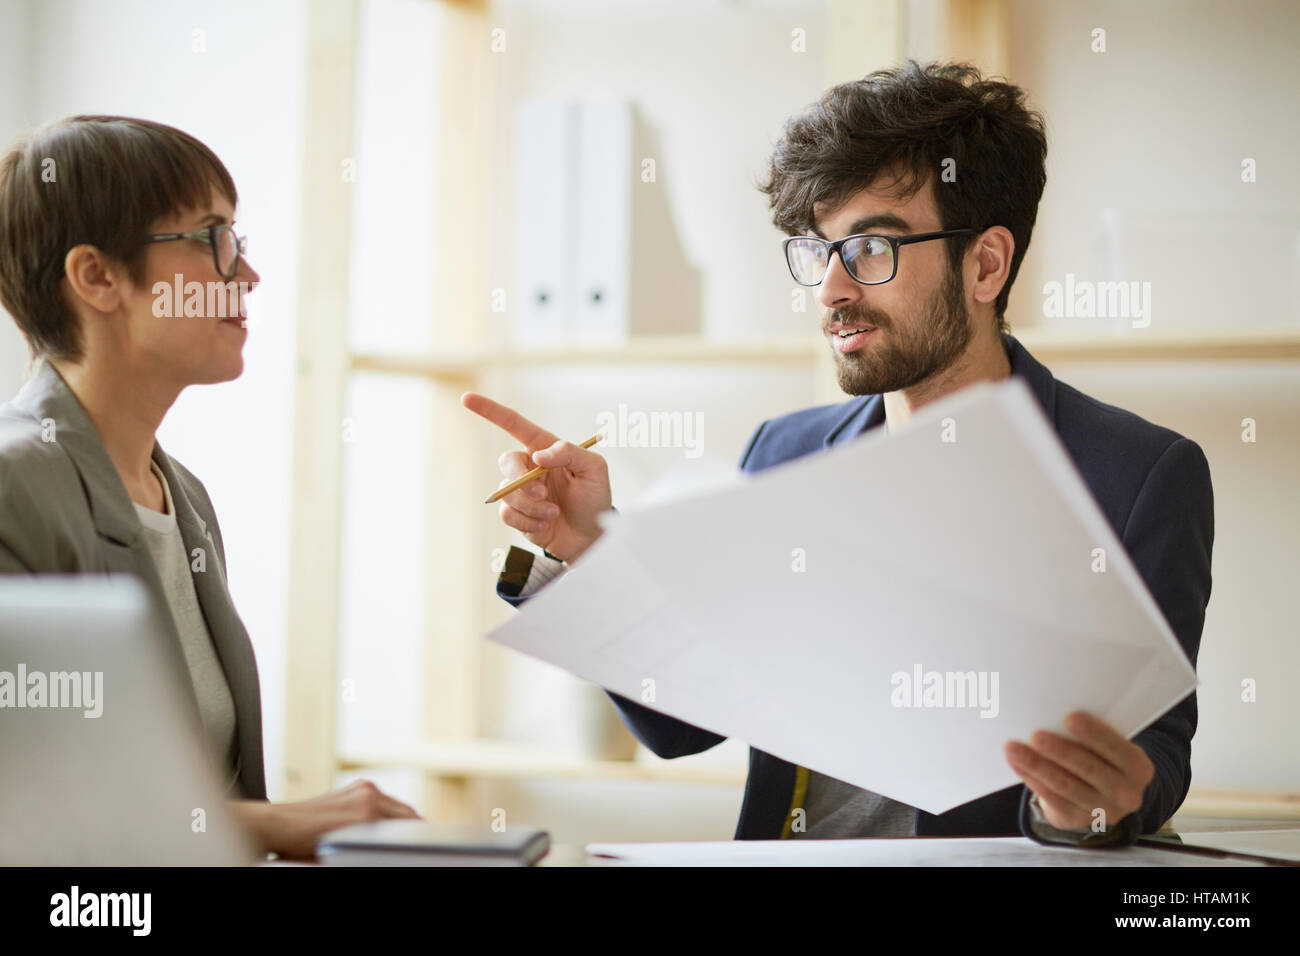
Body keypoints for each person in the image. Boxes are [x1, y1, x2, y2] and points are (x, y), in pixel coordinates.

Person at [464, 61, 1214, 847]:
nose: (830, 290)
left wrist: (1083, 805)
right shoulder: (784, 452)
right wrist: (594, 549)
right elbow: (686, 728)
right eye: (819, 253)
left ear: (986, 264)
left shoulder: (1138, 474)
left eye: (868, 250)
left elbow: (1155, 755)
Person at [0, 115, 419, 860]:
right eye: (211, 238)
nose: (246, 275)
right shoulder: (12, 484)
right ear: (97, 277)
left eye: (239, 241)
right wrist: (272, 826)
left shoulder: (181, 497)